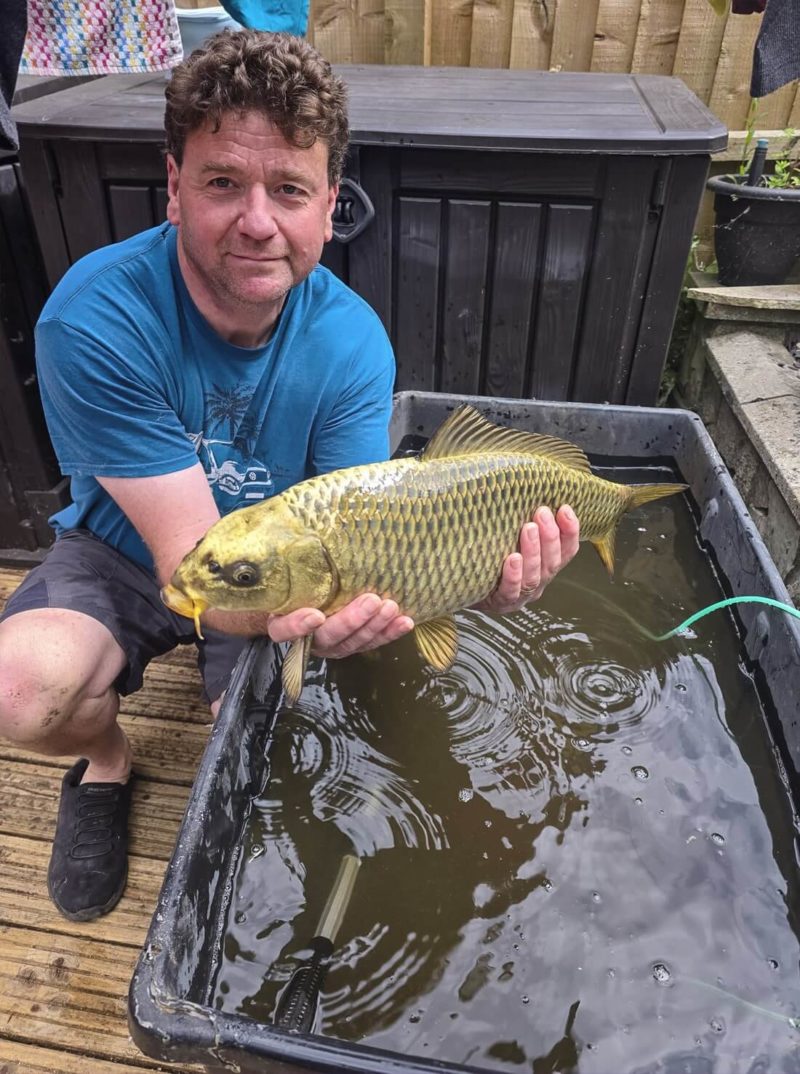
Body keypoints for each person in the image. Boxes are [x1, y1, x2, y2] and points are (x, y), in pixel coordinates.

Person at [0, 29, 580, 923]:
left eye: (290, 190)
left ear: (327, 205)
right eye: (223, 181)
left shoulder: (351, 341)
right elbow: (189, 560)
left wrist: (475, 585)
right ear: (174, 186)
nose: (259, 221)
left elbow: (364, 542)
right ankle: (108, 762)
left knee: (287, 744)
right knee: (24, 687)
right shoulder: (94, 315)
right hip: (137, 550)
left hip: (289, 567)